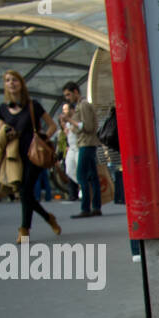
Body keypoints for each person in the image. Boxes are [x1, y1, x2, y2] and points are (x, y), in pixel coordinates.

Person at [0, 70, 60, 242]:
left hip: (33, 155)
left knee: (25, 191)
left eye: (15, 80)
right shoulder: (3, 109)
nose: (11, 83)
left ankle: (24, 229)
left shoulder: (33, 105)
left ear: (21, 84)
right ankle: (48, 218)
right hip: (14, 157)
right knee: (24, 193)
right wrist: (5, 135)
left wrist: (43, 138)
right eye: (8, 80)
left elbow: (52, 126)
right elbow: (0, 132)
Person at [62, 82, 102, 217]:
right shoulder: (81, 105)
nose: (68, 98)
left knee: (81, 175)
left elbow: (88, 126)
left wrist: (70, 121)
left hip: (86, 143)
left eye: (68, 94)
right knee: (92, 176)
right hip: (88, 143)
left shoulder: (83, 105)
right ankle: (96, 206)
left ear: (75, 92)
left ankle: (86, 207)